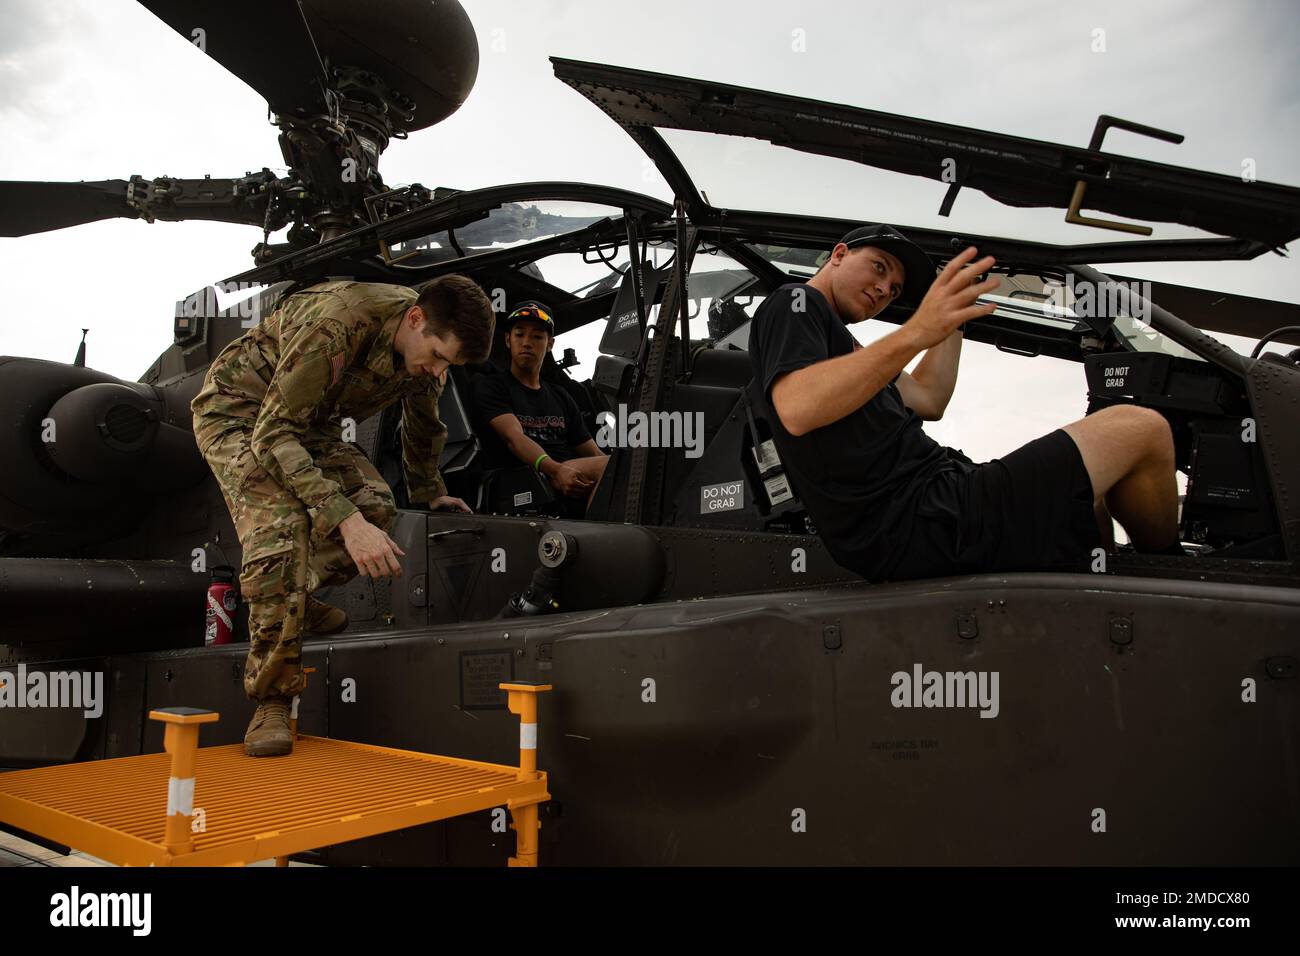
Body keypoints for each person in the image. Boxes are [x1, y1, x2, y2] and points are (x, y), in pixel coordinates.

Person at [747, 223, 1181, 583]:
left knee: (1092, 500)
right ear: (838, 254)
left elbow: (929, 398)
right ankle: (1178, 585)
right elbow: (798, 407)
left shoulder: (854, 356)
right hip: (927, 518)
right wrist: (917, 330)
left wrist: (952, 317)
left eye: (895, 289)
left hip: (937, 510)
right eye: (878, 268)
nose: (884, 288)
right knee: (1141, 429)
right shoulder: (795, 302)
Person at [191, 276, 495, 756]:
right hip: (240, 415)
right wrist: (345, 522)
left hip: (309, 423)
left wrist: (429, 490)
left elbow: (422, 421)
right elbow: (272, 434)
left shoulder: (424, 357)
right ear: (415, 319)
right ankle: (272, 699)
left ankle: (291, 592)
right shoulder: (339, 322)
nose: (438, 371)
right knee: (283, 530)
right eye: (437, 356)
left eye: (448, 365)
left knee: (375, 506)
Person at [473, 300, 607, 512]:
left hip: (567, 477)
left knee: (617, 470)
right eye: (519, 334)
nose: (527, 342)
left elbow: (591, 451)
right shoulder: (492, 386)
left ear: (550, 344)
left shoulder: (561, 396)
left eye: (537, 336)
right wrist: (556, 471)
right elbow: (513, 438)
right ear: (508, 340)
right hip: (524, 479)